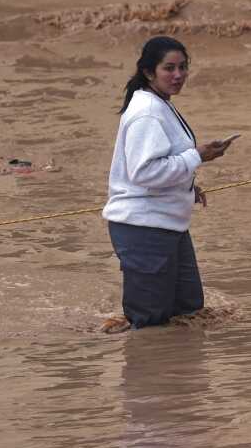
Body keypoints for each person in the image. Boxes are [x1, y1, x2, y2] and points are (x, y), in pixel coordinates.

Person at [101, 36, 236, 331]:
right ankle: (148, 371)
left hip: (168, 226)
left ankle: (180, 372)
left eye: (183, 67)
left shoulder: (159, 104)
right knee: (149, 324)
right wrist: (196, 156)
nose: (178, 75)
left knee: (188, 310)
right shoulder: (147, 112)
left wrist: (187, 185)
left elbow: (159, 165)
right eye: (169, 68)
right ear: (150, 72)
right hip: (144, 229)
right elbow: (145, 172)